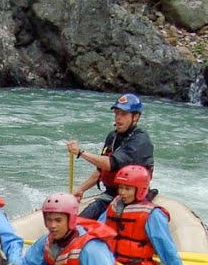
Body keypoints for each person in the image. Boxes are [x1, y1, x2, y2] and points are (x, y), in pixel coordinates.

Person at [93, 164, 189, 265]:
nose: (122, 193)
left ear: (140, 189)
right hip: (110, 263)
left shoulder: (152, 214)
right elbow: (98, 230)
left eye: (127, 189)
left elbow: (165, 245)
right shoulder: (116, 204)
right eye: (120, 188)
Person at [65, 92, 154, 222]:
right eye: (116, 113)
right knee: (79, 223)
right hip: (111, 194)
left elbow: (110, 163)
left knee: (101, 227)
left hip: (132, 197)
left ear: (135, 117)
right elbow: (101, 169)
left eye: (123, 114)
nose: (118, 118)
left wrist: (80, 152)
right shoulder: (113, 136)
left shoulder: (140, 140)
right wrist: (81, 189)